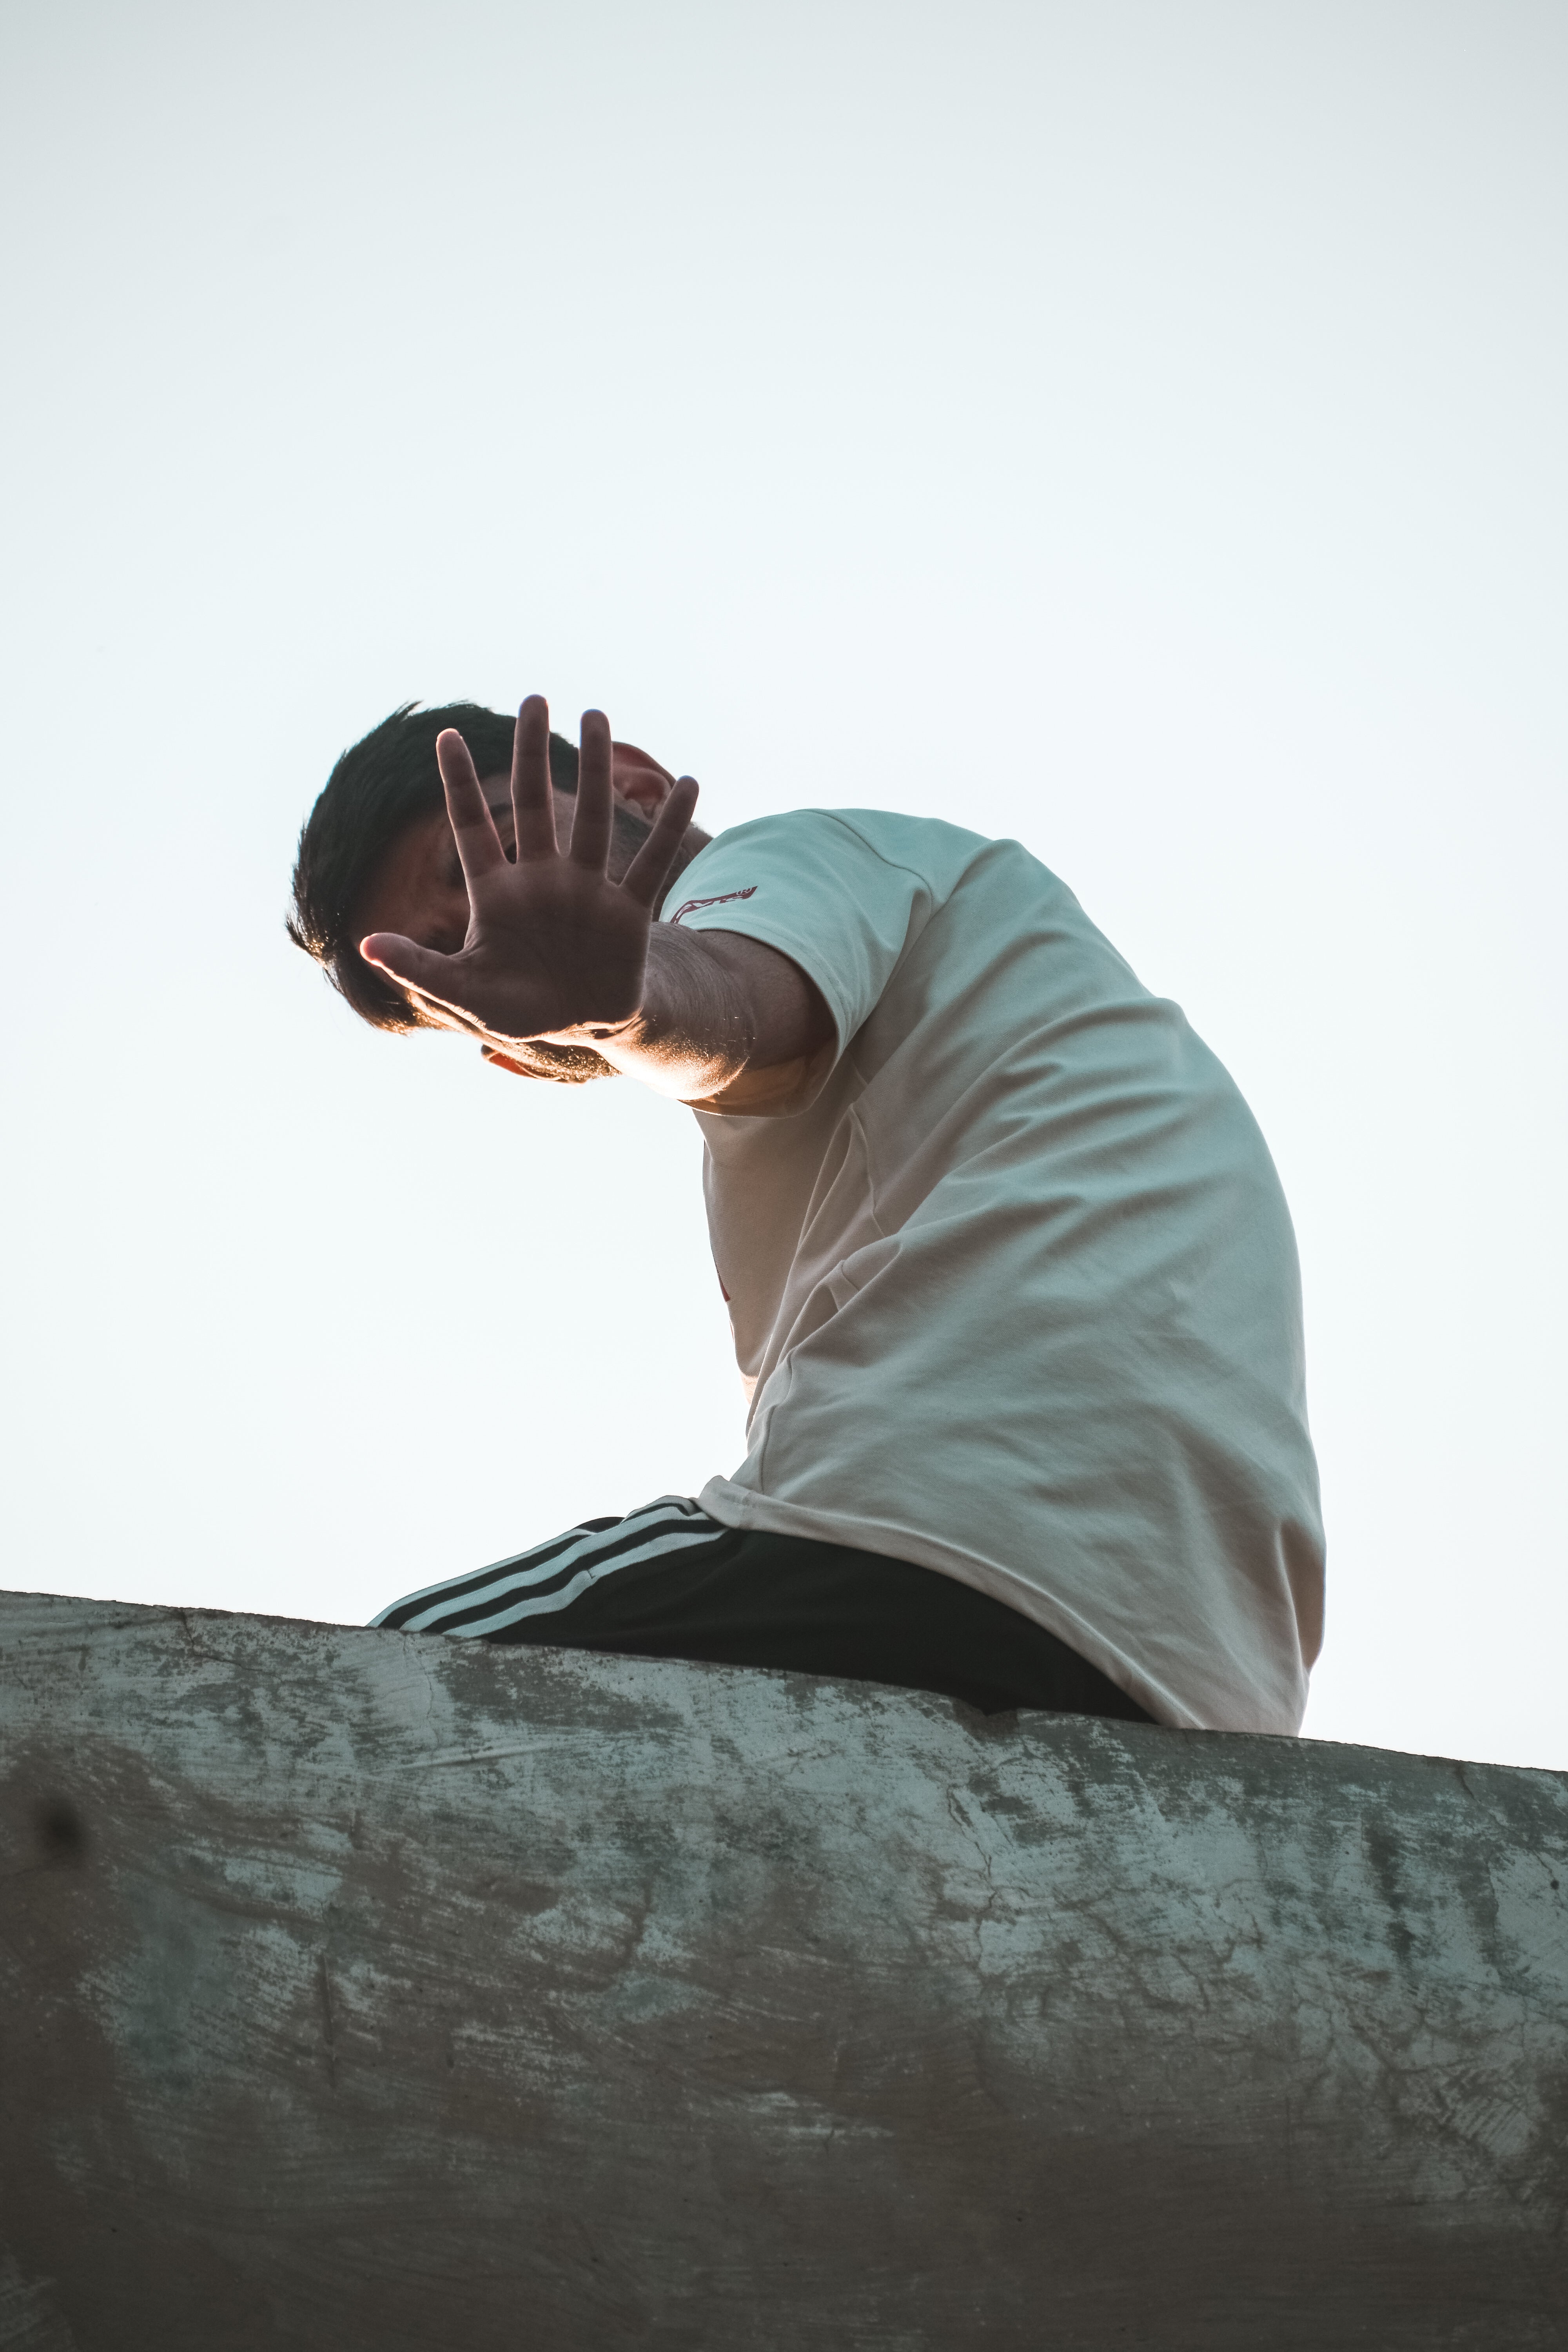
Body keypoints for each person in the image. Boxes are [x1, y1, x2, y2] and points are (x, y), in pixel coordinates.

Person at [288, 694, 1324, 1732]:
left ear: (635, 786)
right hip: (1201, 1674)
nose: (491, 933)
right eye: (450, 964)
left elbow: (737, 1001)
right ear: (510, 1054)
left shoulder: (806, 859)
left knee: (354, 1694)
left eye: (489, 857)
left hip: (930, 1539)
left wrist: (625, 1005)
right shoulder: (940, 1070)